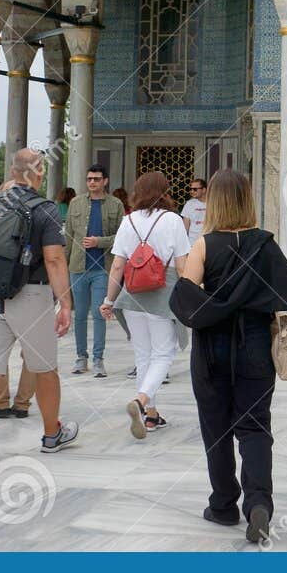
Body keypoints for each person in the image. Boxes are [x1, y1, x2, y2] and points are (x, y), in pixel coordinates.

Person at [171, 169, 287, 544]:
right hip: (255, 344)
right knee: (255, 427)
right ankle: (258, 504)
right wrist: (253, 300)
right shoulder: (265, 244)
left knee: (217, 428)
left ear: (214, 201)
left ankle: (223, 504)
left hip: (212, 347)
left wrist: (218, 306)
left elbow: (185, 297)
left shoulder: (204, 245)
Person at [0, 148, 76, 476]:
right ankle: (52, 435)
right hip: (31, 296)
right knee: (45, 369)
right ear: (39, 174)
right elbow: (54, 259)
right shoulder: (45, 209)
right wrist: (65, 303)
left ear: (12, 172)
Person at [101, 170, 190, 438]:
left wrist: (109, 300)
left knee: (143, 356)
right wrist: (193, 296)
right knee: (163, 354)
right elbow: (182, 266)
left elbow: (118, 266)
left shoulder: (128, 221)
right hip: (163, 293)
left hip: (132, 294)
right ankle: (141, 402)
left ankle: (151, 415)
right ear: (165, 192)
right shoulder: (173, 220)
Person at [64, 163, 124, 378]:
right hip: (78, 267)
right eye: (89, 179)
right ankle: (81, 357)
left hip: (103, 268)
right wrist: (63, 266)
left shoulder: (116, 204)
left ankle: (98, 360)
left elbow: (122, 237)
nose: (92, 182)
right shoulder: (75, 203)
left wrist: (100, 242)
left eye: (96, 179)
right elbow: (68, 237)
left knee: (100, 315)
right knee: (79, 315)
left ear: (105, 181)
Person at [180, 177, 208, 241]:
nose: (192, 191)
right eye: (191, 189)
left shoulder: (213, 204)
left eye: (195, 189)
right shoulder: (189, 204)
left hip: (209, 241)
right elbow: (185, 226)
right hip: (193, 242)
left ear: (204, 190)